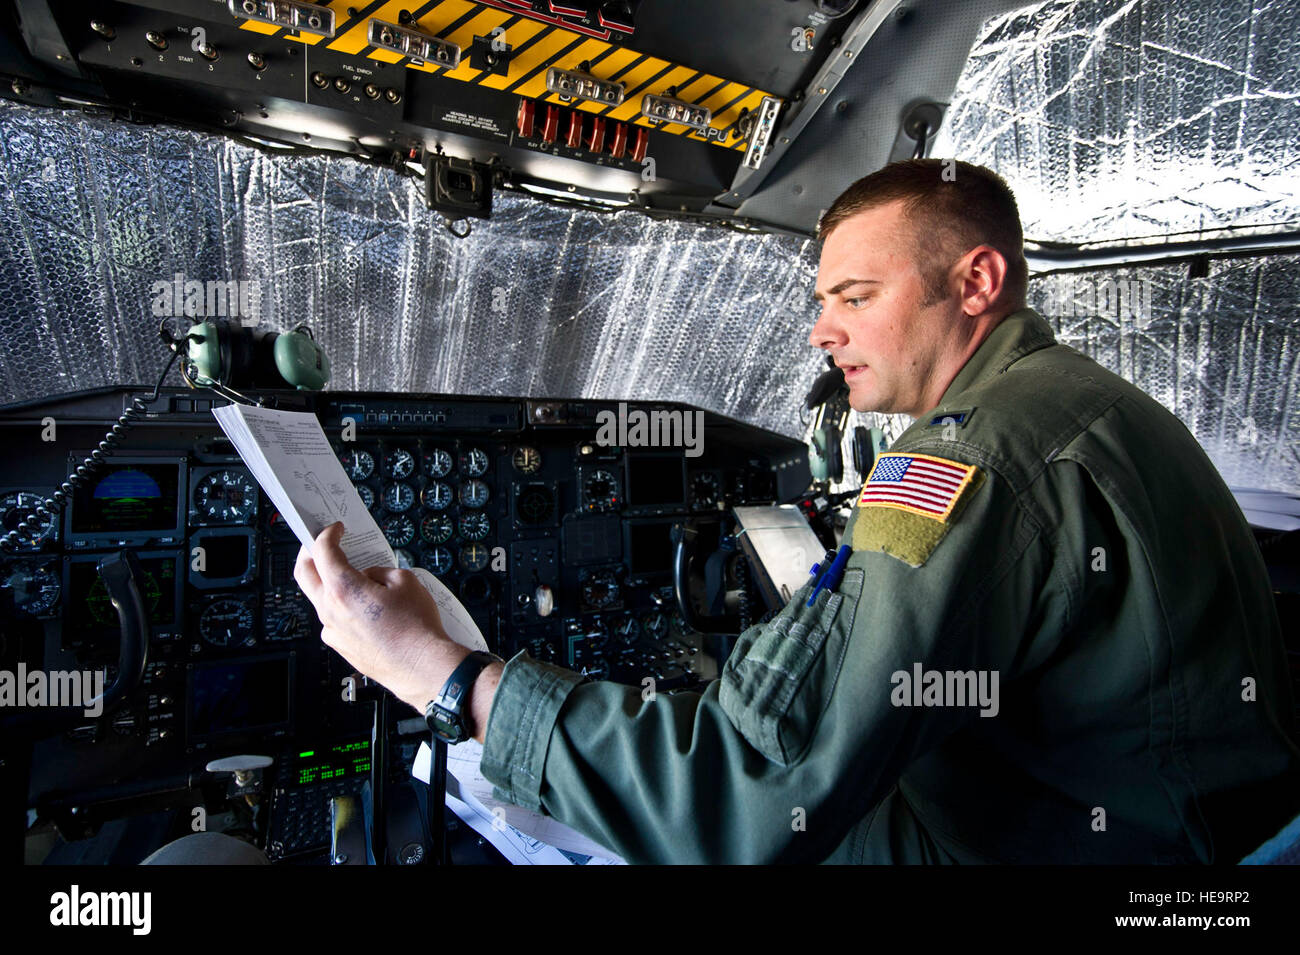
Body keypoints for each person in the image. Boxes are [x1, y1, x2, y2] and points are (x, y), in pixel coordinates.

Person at [295, 159, 1300, 863]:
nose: (821, 329)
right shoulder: (1087, 403)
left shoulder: (968, 451)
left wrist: (444, 671)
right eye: (821, 300)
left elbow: (749, 795)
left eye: (855, 296)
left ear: (976, 281)